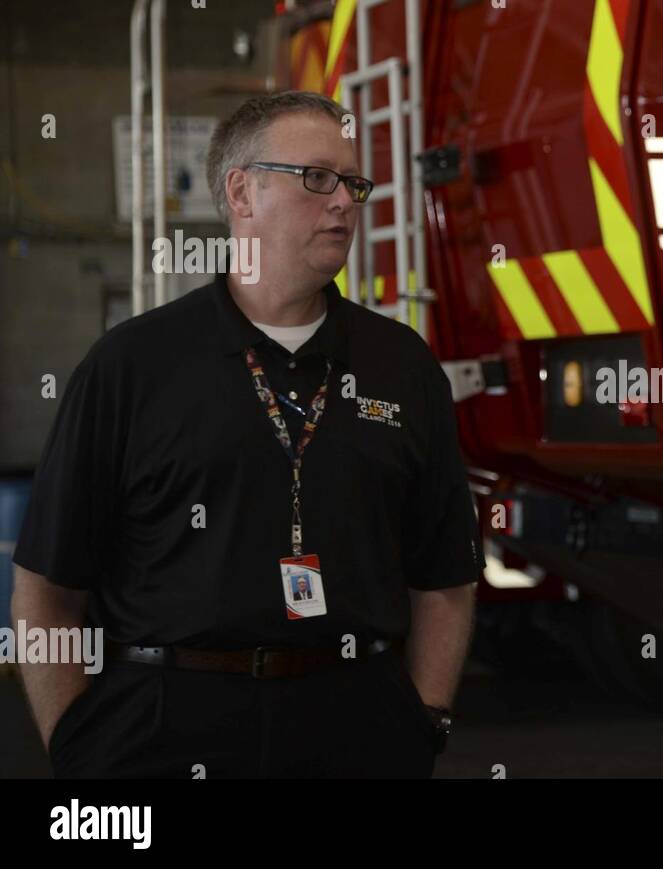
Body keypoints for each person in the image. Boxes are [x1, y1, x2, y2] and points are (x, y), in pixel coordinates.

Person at [11, 91, 483, 777]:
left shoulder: (403, 365)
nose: (346, 201)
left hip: (357, 729)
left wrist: (426, 720)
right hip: (165, 731)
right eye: (317, 178)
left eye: (353, 183)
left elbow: (445, 579)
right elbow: (47, 587)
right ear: (242, 192)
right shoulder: (132, 365)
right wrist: (77, 746)